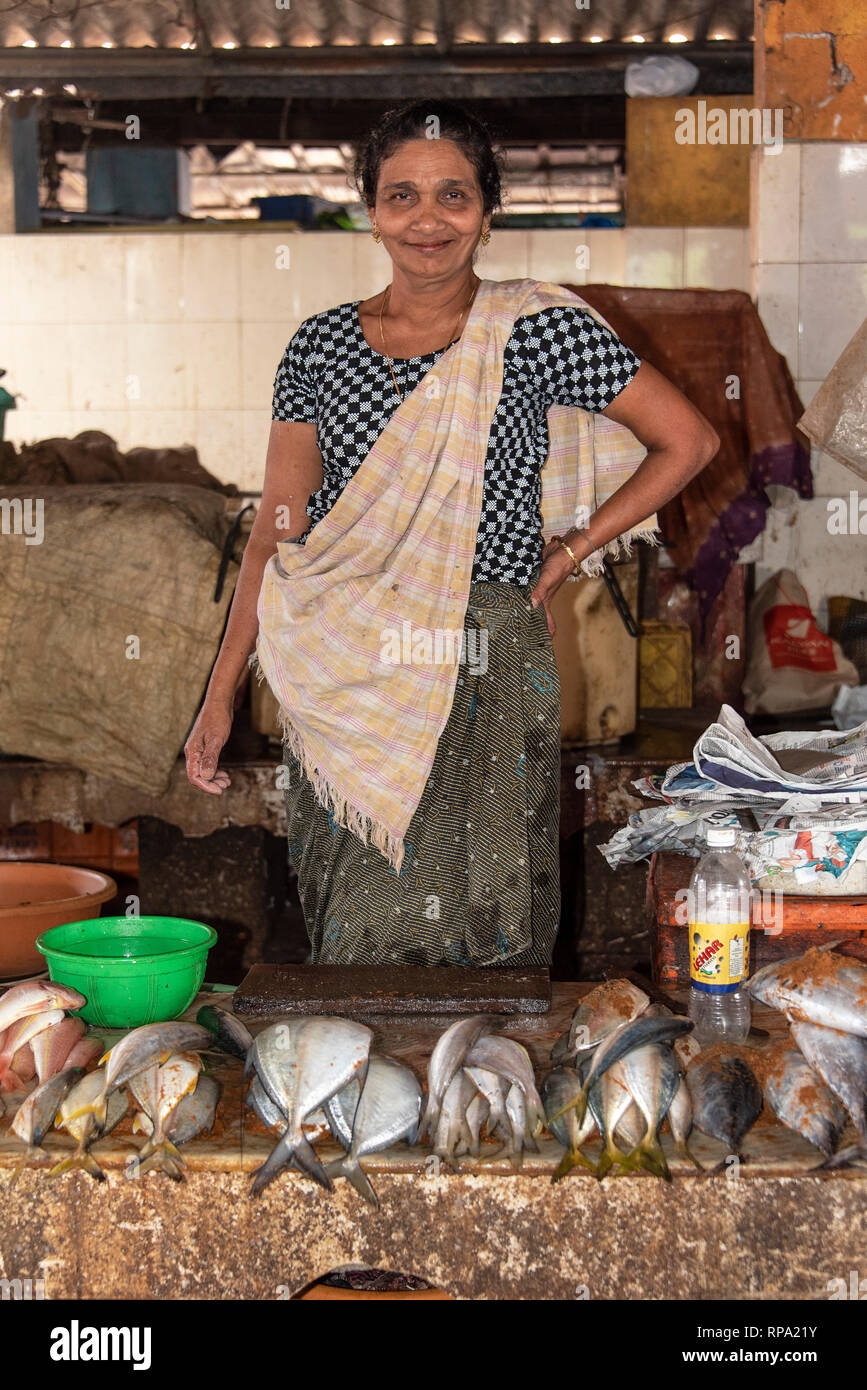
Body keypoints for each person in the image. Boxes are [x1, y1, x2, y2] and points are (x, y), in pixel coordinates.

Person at [185, 101, 719, 968]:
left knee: (488, 906)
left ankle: (483, 1056)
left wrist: (570, 549)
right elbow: (275, 535)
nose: (426, 219)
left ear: (486, 209)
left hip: (486, 655)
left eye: (452, 195)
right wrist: (217, 698)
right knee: (360, 912)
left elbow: (688, 441)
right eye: (401, 195)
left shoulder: (536, 329)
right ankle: (371, 1049)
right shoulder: (319, 348)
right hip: (346, 658)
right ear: (370, 211)